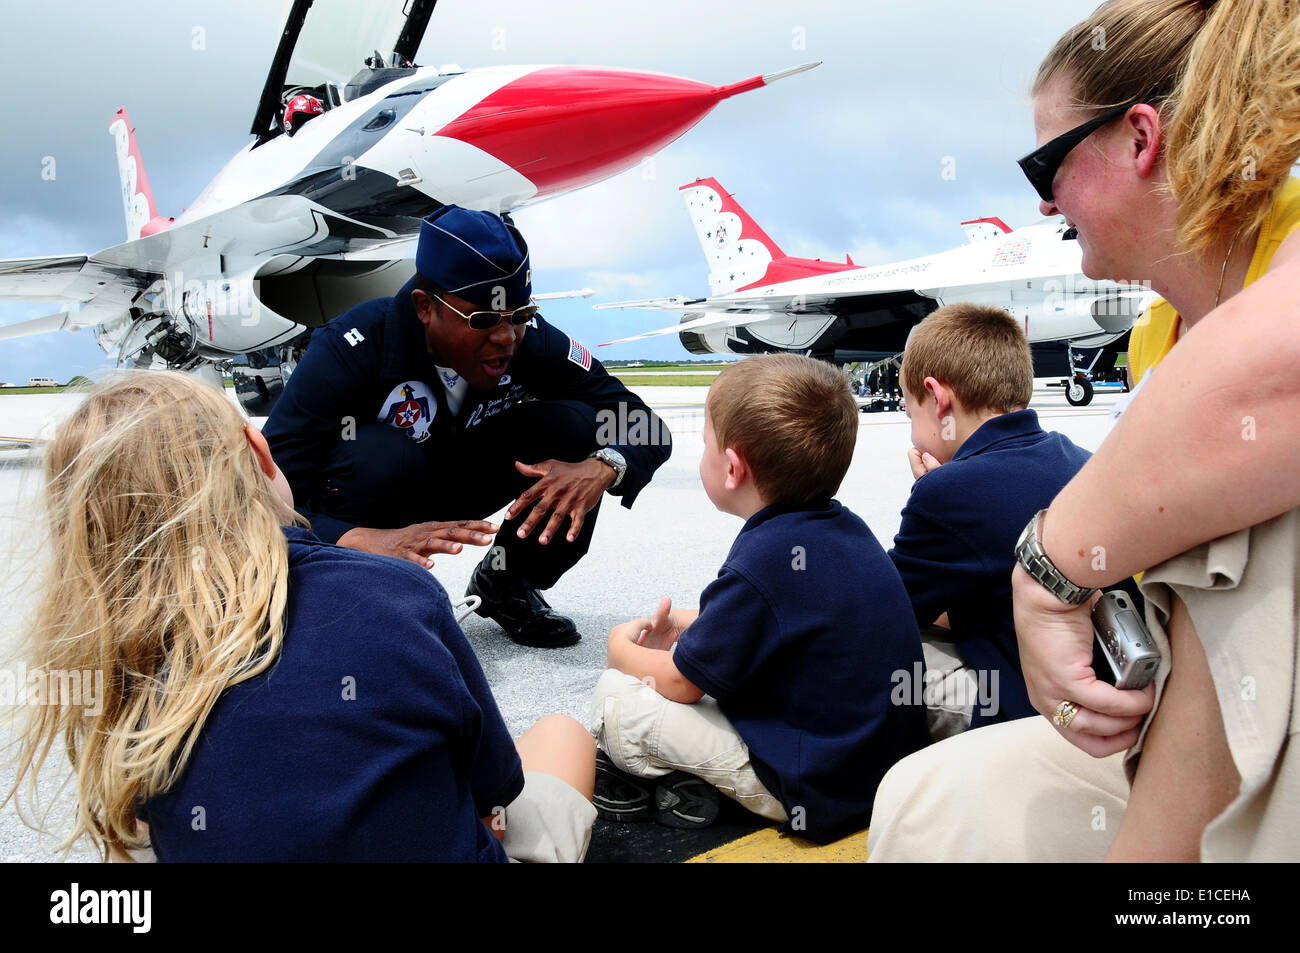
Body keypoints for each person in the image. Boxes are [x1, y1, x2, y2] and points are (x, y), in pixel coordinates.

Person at [868, 0, 1300, 862]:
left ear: (1140, 138)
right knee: (923, 798)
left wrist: (1049, 565)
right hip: (1175, 708)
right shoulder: (1153, 338)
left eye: (1046, 166)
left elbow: (1268, 379)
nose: (1044, 206)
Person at [3, 372, 597, 862]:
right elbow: (495, 784)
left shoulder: (111, 654)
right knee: (561, 735)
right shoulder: (396, 590)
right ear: (260, 453)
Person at [262, 205, 672, 648]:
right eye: (483, 320)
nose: (506, 337)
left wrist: (603, 466)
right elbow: (260, 489)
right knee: (376, 452)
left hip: (461, 476)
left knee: (581, 426)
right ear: (424, 307)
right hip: (369, 498)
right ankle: (358, 586)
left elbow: (644, 423)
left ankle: (506, 583)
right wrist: (350, 538)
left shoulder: (529, 339)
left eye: (519, 315)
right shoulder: (351, 348)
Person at [590, 354, 929, 844]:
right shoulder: (844, 530)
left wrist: (622, 647)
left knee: (618, 699)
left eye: (706, 444)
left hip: (811, 789)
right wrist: (692, 626)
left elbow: (682, 685)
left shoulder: (763, 557)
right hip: (876, 775)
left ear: (732, 467)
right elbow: (782, 616)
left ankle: (676, 781)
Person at [890, 302, 1111, 736]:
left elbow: (888, 607)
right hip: (1106, 688)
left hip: (1023, 712)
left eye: (908, 411)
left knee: (865, 656)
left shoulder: (948, 493)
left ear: (938, 398)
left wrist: (930, 492)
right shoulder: (1080, 460)